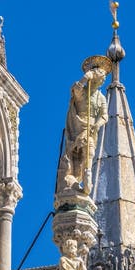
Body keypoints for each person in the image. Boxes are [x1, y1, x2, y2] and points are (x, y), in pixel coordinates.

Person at [56, 56, 111, 196]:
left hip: (91, 129)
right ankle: (73, 178)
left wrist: (97, 125)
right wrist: (85, 78)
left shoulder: (101, 98)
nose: (103, 80)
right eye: (101, 77)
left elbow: (104, 115)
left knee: (89, 152)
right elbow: (76, 90)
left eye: (104, 78)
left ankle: (87, 175)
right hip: (77, 127)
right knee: (74, 156)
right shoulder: (83, 92)